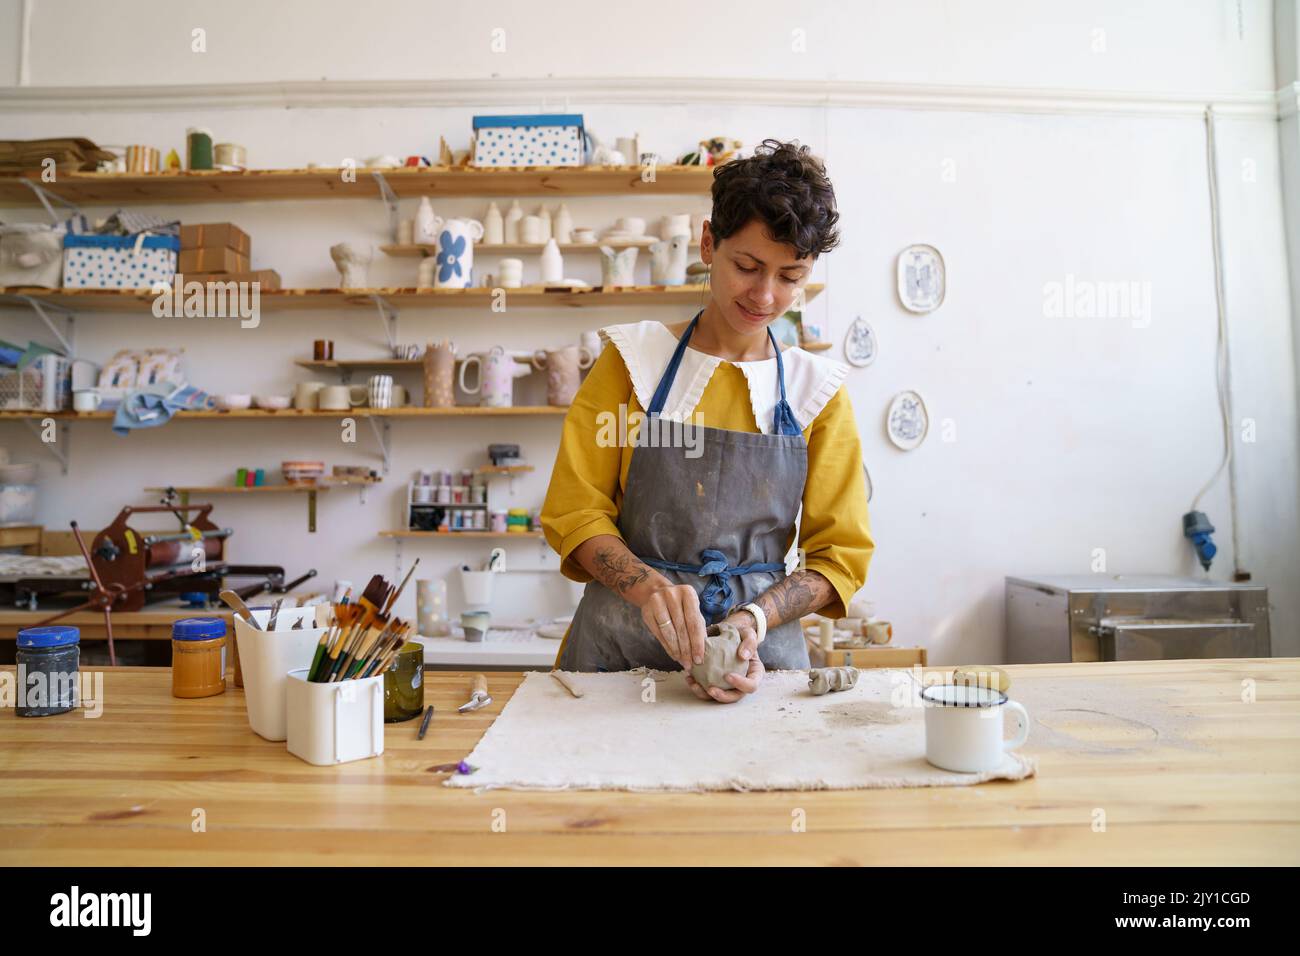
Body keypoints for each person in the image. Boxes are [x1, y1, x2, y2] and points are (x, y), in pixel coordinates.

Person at [541, 139, 874, 703]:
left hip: (757, 662)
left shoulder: (816, 392)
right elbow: (575, 514)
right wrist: (649, 589)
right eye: (747, 266)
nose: (766, 295)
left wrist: (755, 620)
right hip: (617, 660)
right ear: (707, 242)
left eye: (791, 276)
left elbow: (838, 558)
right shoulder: (631, 361)